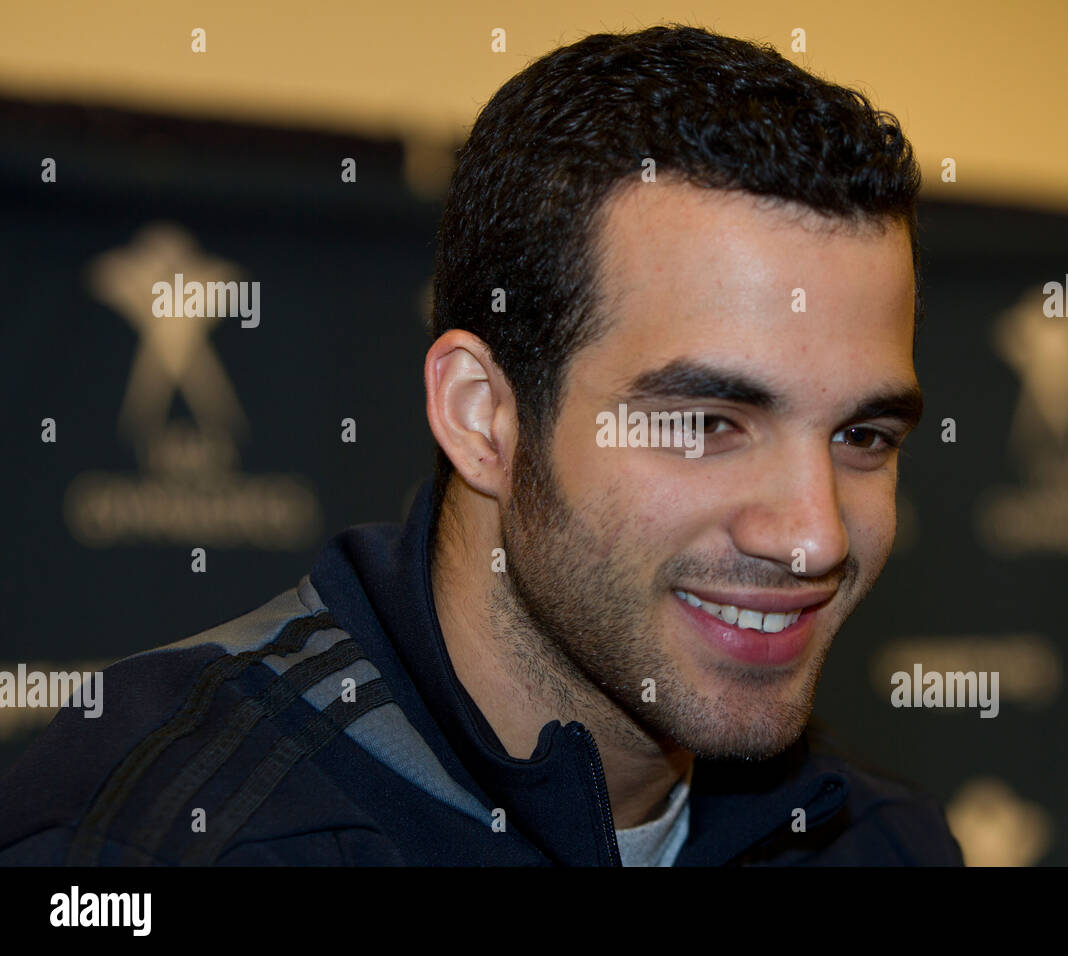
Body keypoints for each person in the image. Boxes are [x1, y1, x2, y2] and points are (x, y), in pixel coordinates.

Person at [0, 24, 962, 866]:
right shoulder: (153, 842)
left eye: (862, 435)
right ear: (482, 416)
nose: (813, 535)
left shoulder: (883, 842)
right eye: (707, 424)